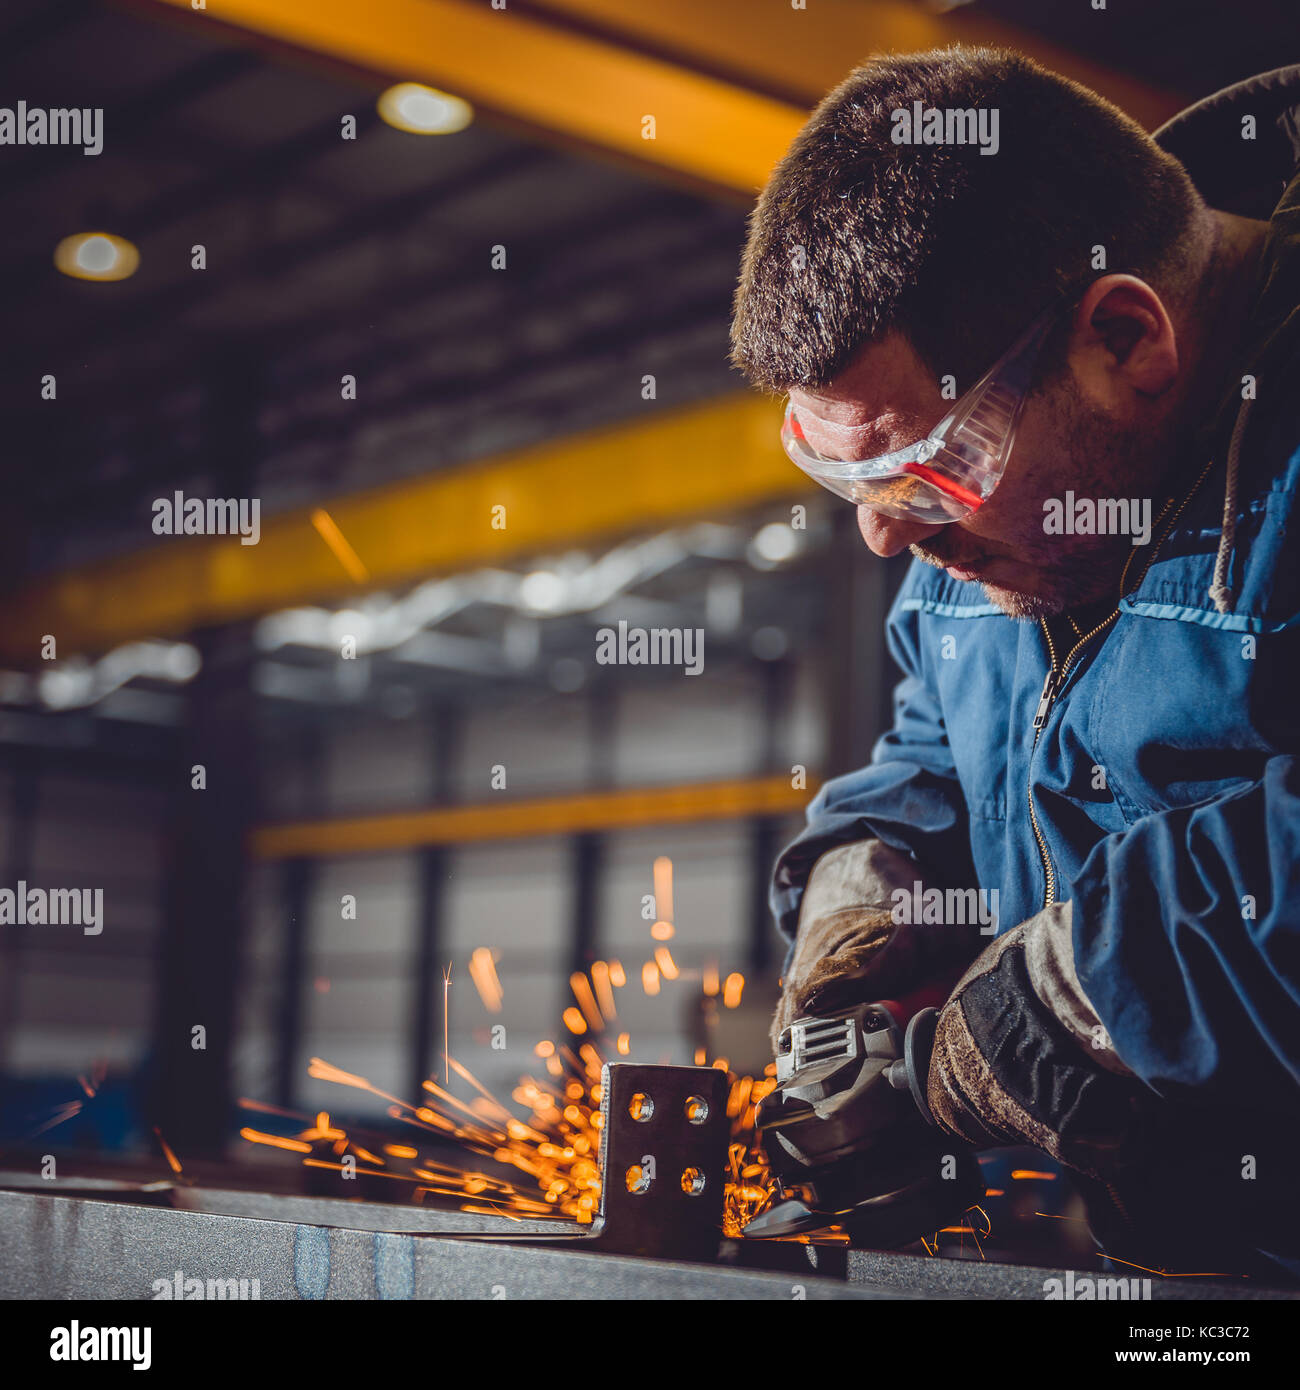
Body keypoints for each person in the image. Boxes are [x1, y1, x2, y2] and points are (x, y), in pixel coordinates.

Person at [731, 50, 1300, 1277]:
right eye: (842, 478)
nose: (887, 536)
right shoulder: (991, 519)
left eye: (930, 471)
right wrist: (865, 886)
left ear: (1124, 336)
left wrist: (1067, 995)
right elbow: (941, 749)